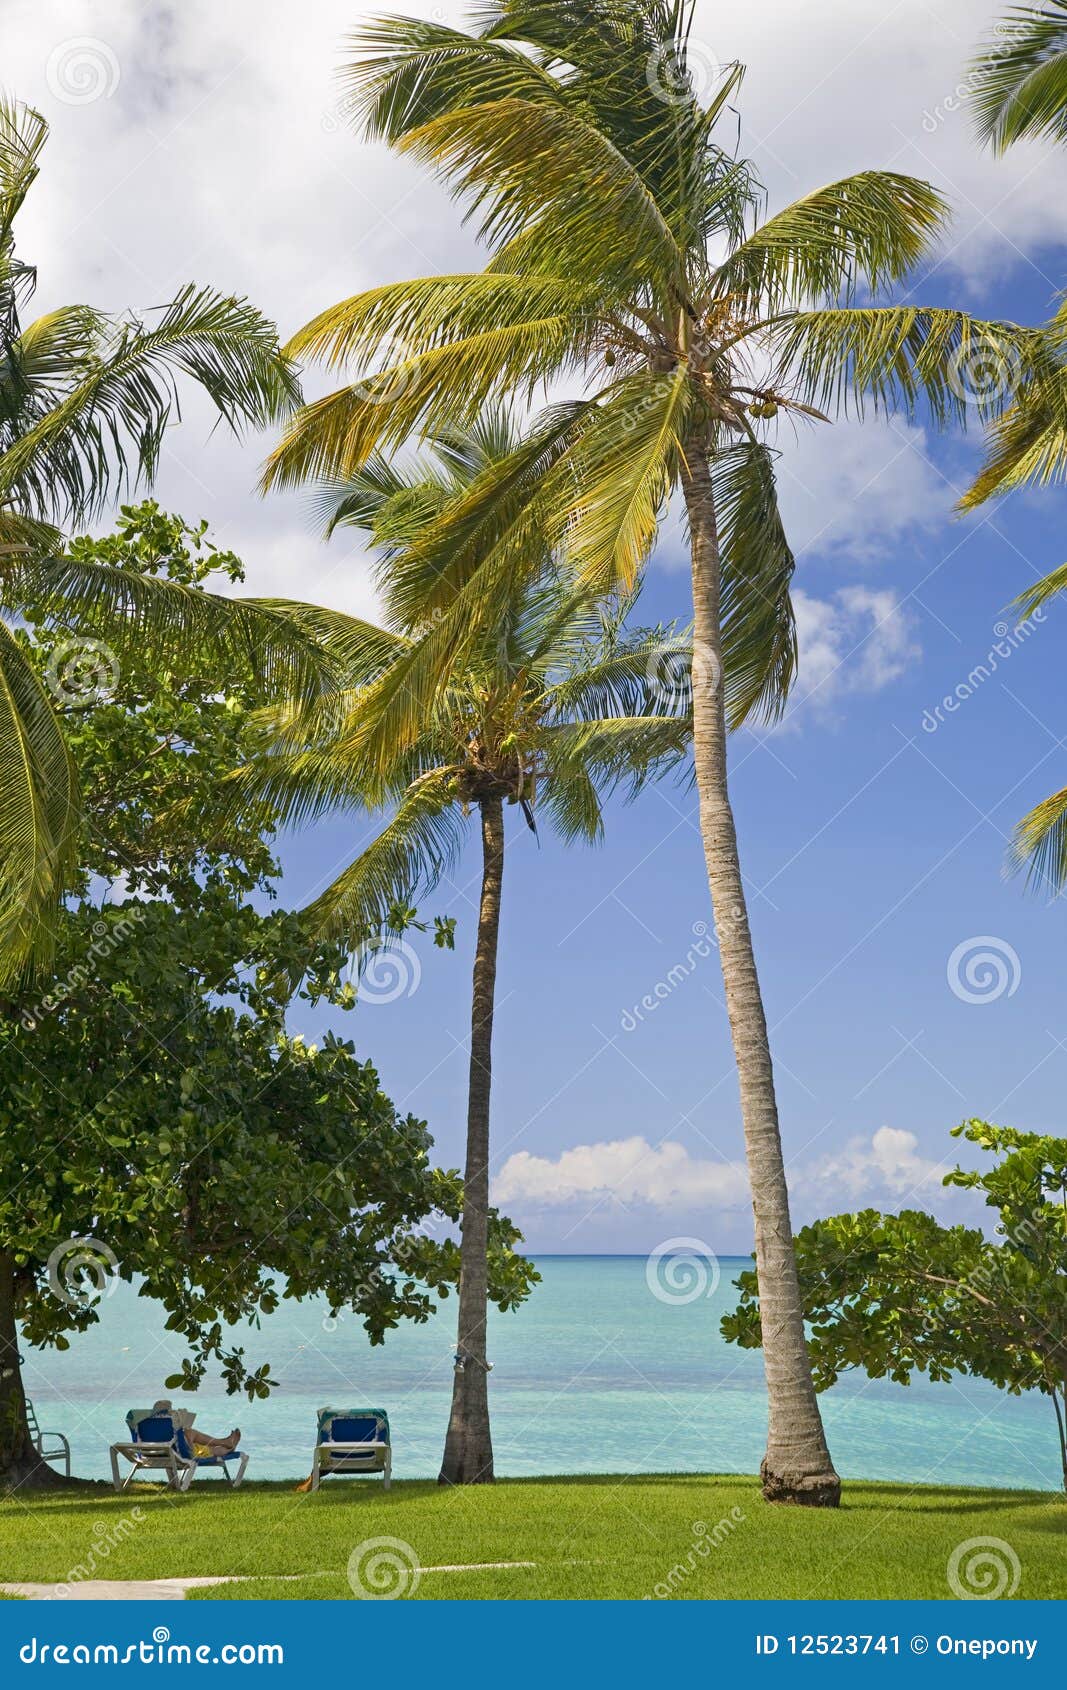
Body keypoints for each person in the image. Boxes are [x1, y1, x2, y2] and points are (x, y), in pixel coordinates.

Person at [151, 1399, 241, 1455]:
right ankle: (227, 1447)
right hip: (177, 1452)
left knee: (189, 1433)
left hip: (164, 1452)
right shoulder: (170, 1423)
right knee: (208, 1449)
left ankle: (225, 1442)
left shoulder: (147, 1426)